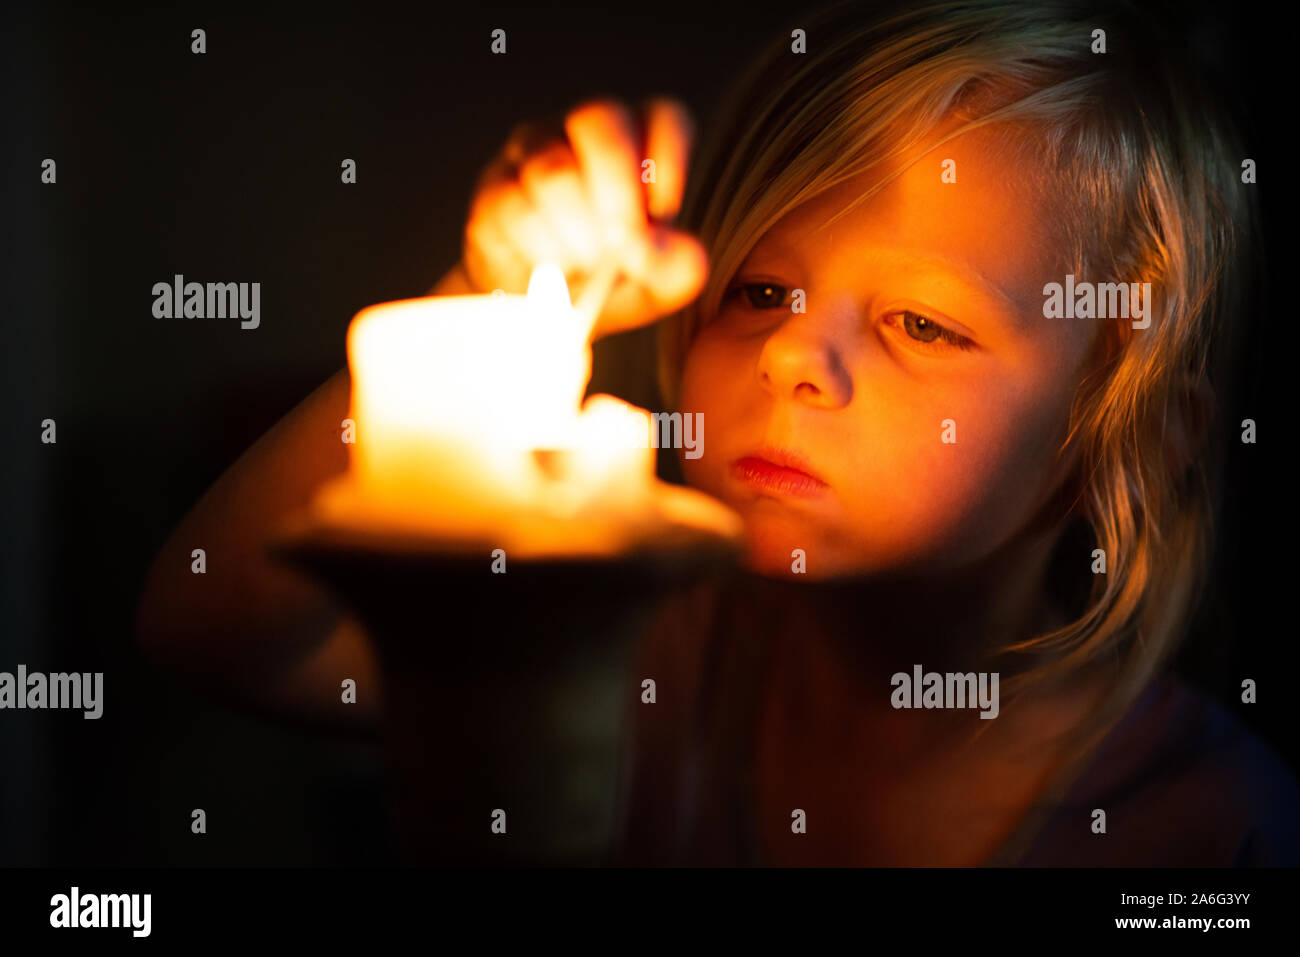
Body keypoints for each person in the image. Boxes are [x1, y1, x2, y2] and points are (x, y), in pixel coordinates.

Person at [136, 0, 1300, 865]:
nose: (792, 355)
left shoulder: (1196, 826)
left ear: (1119, 436)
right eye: (757, 292)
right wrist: (486, 307)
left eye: (921, 324)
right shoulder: (611, 646)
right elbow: (212, 626)